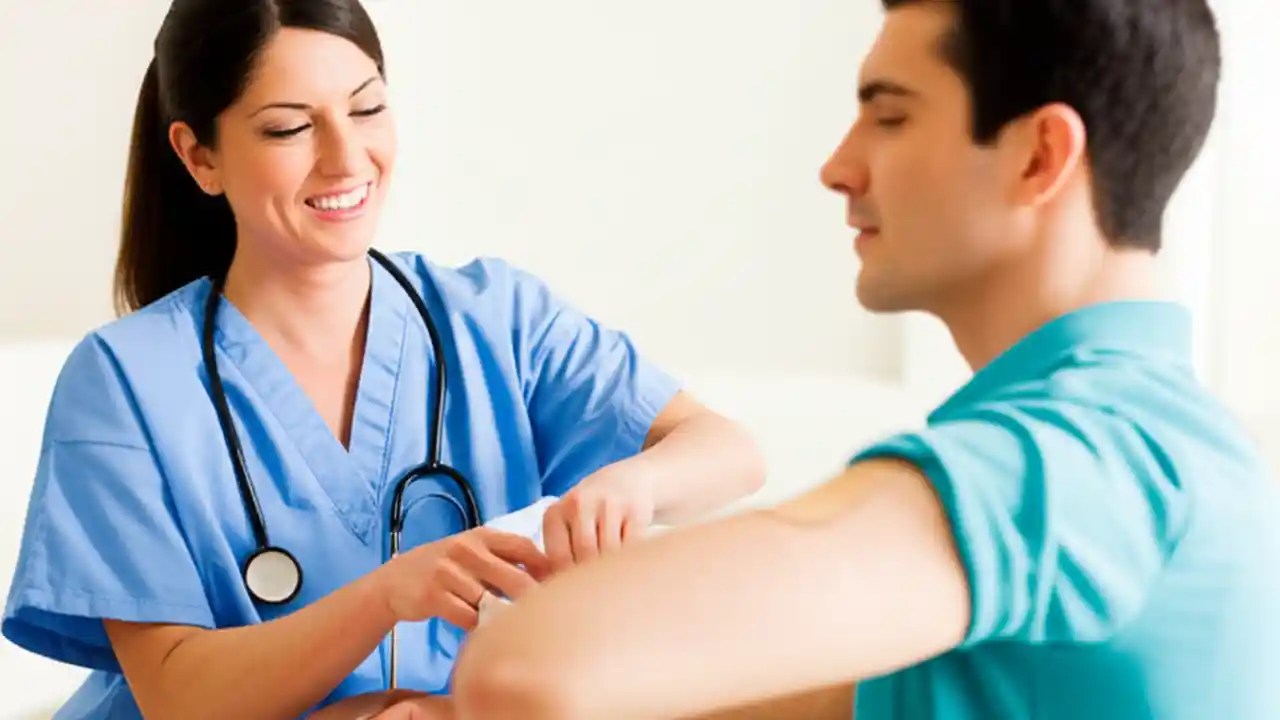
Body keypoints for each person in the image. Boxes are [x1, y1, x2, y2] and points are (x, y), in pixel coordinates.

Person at [447, 1, 1280, 719]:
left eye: (890, 116)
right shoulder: (1174, 446)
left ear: (1039, 155)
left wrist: (593, 613)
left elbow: (525, 670)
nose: (837, 168)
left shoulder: (1072, 458)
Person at [0, 1, 765, 718]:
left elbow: (728, 452)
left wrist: (634, 484)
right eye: (289, 128)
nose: (346, 159)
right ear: (200, 156)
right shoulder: (125, 382)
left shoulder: (494, 319)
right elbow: (178, 695)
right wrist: (386, 595)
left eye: (366, 108)